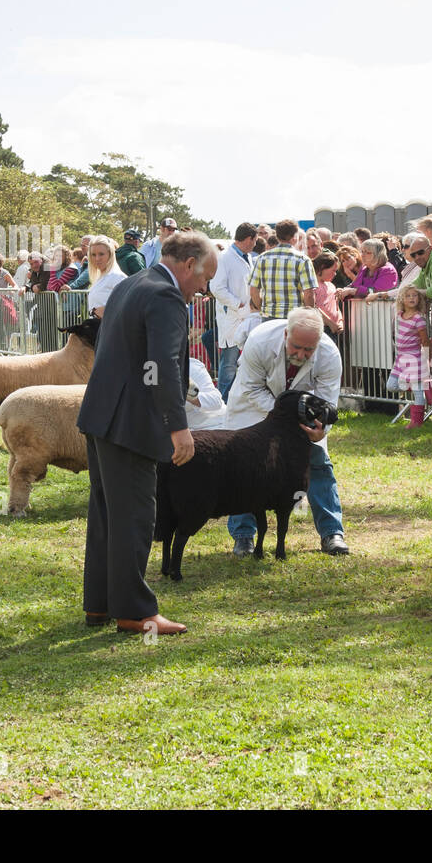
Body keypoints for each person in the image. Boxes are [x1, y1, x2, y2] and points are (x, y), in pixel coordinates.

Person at [77, 230, 217, 636]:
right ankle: (136, 612)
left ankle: (100, 604)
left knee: (107, 513)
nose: (204, 288)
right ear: (188, 265)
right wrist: (178, 428)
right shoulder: (165, 296)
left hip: (102, 415)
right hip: (132, 422)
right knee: (135, 516)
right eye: (205, 278)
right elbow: (161, 369)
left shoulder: (128, 285)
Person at [225, 308, 349, 556]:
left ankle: (332, 533)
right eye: (296, 347)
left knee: (317, 462)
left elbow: (326, 402)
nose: (301, 354)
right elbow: (251, 387)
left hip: (301, 416)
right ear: (285, 334)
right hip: (252, 407)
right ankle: (243, 535)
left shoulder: (330, 355)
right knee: (244, 465)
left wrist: (321, 430)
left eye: (308, 350)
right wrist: (286, 417)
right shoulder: (259, 340)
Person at [211, 223, 256, 399]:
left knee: (243, 360)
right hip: (232, 317)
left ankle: (237, 401)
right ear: (249, 239)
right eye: (254, 240)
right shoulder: (224, 258)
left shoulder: (248, 257)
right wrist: (238, 305)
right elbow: (216, 288)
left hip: (246, 316)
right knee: (229, 362)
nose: (255, 244)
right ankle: (223, 401)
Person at [387, 285, 432, 428]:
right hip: (400, 359)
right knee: (391, 385)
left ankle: (416, 422)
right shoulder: (399, 315)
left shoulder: (418, 319)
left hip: (414, 358)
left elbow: (424, 340)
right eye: (408, 296)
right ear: (402, 299)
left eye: (415, 295)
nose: (412, 298)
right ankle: (424, 385)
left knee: (418, 393)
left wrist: (426, 359)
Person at [250, 219, 317, 319]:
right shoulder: (303, 260)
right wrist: (308, 315)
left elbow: (254, 290)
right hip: (294, 318)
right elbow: (309, 294)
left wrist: (262, 308)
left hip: (268, 316)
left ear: (277, 236)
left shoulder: (262, 258)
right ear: (295, 236)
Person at [84, 235, 127, 317]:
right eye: (93, 255)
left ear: (110, 254)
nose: (97, 258)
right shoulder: (101, 277)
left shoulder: (117, 276)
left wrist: (102, 311)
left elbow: (127, 307)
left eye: (101, 254)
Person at [185, 356, 229, 431]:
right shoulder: (157, 372)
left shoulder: (191, 366)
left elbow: (215, 401)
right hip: (187, 433)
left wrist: (188, 393)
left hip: (216, 426)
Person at [312, 251, 345, 339]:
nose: (335, 274)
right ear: (322, 267)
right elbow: (313, 307)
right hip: (321, 328)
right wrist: (330, 323)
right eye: (333, 270)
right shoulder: (312, 286)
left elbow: (336, 307)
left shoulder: (331, 285)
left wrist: (340, 321)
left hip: (334, 328)